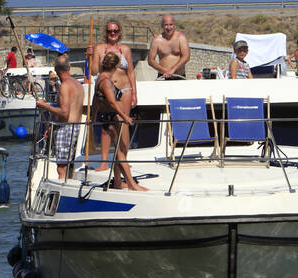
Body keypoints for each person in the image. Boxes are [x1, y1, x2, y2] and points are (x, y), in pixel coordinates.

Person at [92, 52, 146, 191]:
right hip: (112, 118)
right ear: (116, 65)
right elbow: (111, 101)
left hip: (108, 118)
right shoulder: (106, 82)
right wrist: (125, 116)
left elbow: (96, 100)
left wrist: (92, 117)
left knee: (120, 150)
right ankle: (132, 185)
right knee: (121, 151)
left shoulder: (100, 79)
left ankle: (118, 182)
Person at [36, 58, 83, 180]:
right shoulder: (78, 84)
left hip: (66, 129)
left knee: (61, 168)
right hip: (77, 127)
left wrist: (44, 105)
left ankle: (62, 189)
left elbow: (64, 113)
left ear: (56, 70)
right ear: (69, 68)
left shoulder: (64, 86)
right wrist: (53, 126)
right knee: (70, 166)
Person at [148, 14, 190, 79]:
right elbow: (150, 60)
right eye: (166, 25)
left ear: (174, 25)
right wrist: (165, 71)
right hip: (163, 76)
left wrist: (173, 69)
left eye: (171, 24)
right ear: (162, 26)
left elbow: (186, 57)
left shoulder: (181, 38)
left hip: (179, 77)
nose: (168, 27)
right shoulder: (156, 41)